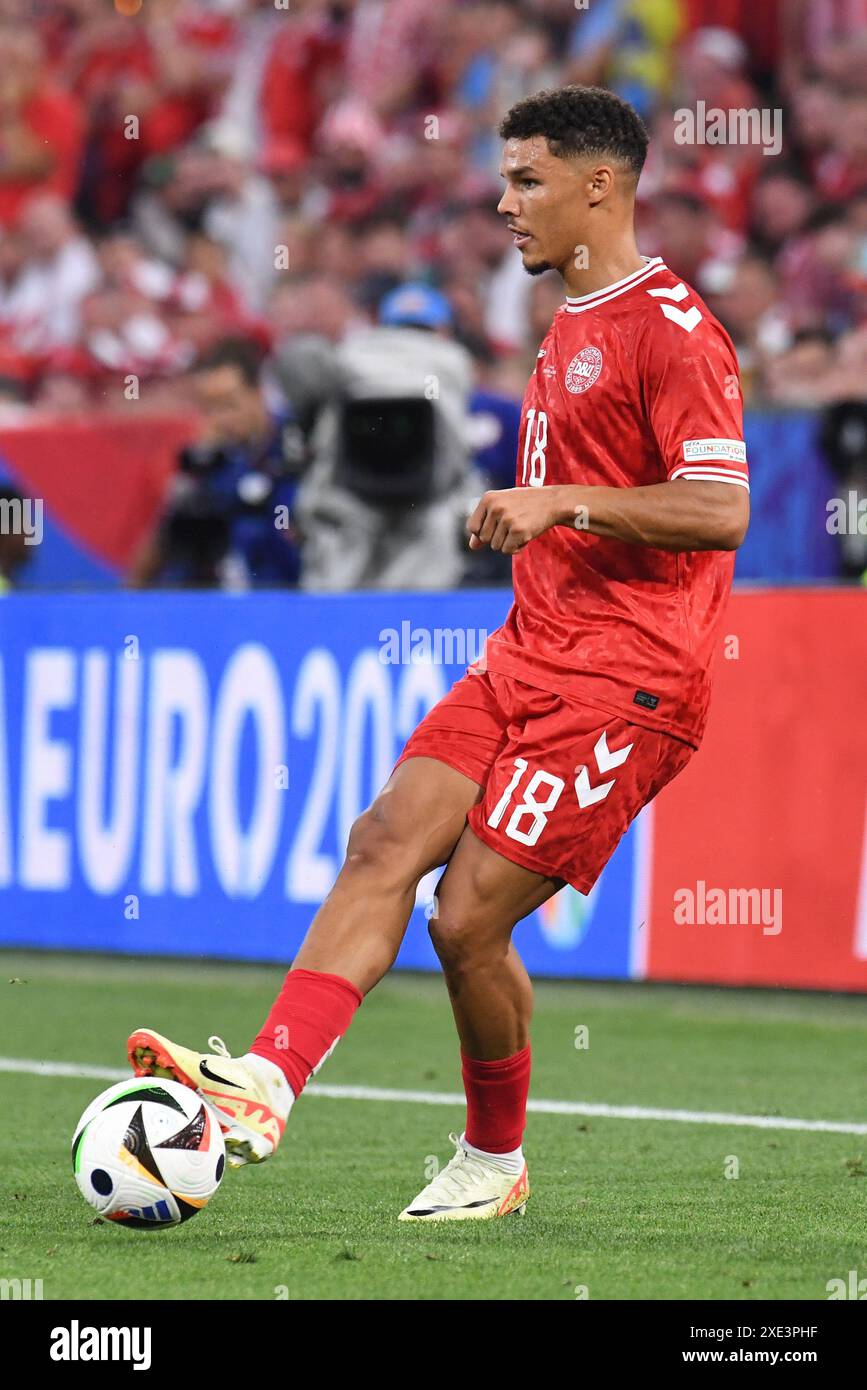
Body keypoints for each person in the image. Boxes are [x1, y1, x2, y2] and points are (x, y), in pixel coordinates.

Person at [126, 86, 749, 1221]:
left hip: (631, 680)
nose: (503, 204)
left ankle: (494, 1159)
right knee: (384, 840)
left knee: (467, 920)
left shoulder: (674, 331)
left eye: (526, 181)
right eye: (504, 179)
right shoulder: (565, 314)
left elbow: (720, 510)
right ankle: (267, 1081)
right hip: (526, 654)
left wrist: (561, 501)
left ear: (599, 186)